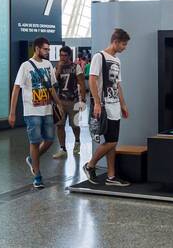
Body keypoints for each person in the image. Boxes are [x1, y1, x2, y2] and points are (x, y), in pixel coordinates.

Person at [9, 37, 58, 190]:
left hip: (47, 109)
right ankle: (37, 175)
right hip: (32, 111)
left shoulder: (48, 65)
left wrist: (58, 103)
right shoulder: (25, 66)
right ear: (36, 49)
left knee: (49, 140)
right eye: (45, 49)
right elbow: (16, 88)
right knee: (35, 142)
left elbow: (51, 87)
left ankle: (32, 159)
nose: (48, 52)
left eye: (48, 49)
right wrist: (12, 113)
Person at [84, 28, 130, 187]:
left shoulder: (117, 60)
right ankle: (90, 165)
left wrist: (123, 104)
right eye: (123, 44)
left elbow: (118, 84)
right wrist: (97, 102)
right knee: (111, 141)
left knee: (113, 142)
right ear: (115, 42)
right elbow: (92, 80)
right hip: (104, 106)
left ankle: (111, 176)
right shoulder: (99, 56)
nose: (125, 47)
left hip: (115, 105)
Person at [51, 45, 86, 159]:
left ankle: (77, 142)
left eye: (65, 55)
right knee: (60, 125)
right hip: (60, 101)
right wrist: (59, 69)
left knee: (74, 125)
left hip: (73, 101)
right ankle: (63, 149)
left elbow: (81, 83)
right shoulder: (57, 67)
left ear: (69, 56)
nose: (62, 57)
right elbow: (53, 83)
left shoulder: (76, 67)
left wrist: (83, 100)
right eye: (61, 55)